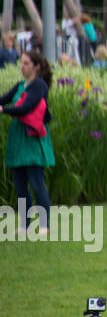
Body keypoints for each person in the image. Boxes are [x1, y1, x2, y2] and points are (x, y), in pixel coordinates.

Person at [1, 50, 55, 235]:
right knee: (20, 184)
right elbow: (4, 99)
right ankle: (25, 225)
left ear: (36, 66)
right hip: (18, 139)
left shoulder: (39, 85)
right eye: (21, 63)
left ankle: (45, 225)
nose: (22, 67)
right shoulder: (20, 86)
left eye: (26, 64)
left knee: (37, 182)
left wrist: (4, 110)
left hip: (31, 139)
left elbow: (26, 107)